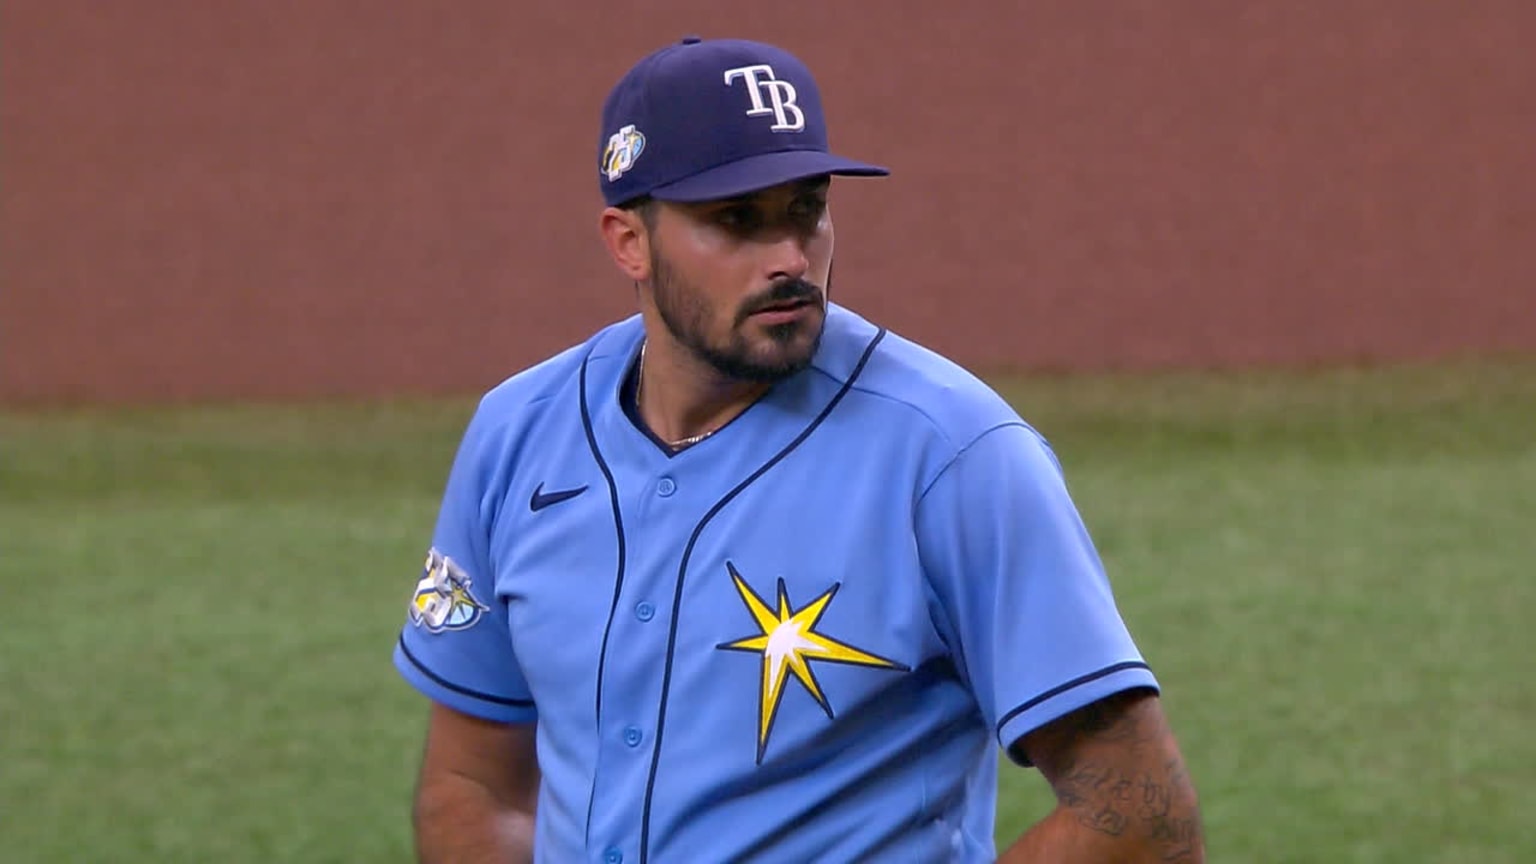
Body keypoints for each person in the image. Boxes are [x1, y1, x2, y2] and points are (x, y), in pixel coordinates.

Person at [392, 35, 1204, 863]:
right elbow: (476, 789)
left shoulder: (954, 455)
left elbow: (1142, 820)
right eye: (736, 220)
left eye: (805, 208)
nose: (789, 259)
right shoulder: (518, 431)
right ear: (627, 240)